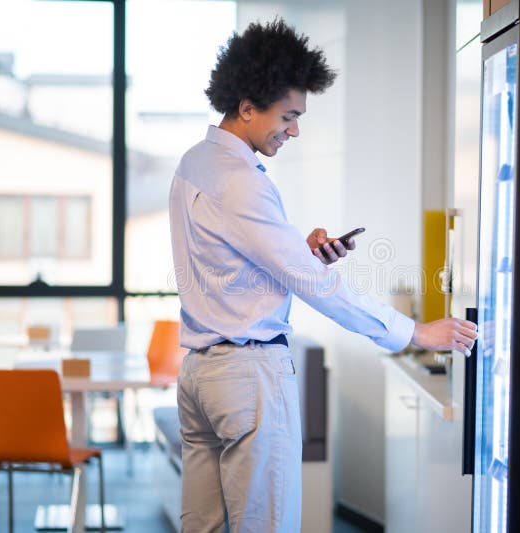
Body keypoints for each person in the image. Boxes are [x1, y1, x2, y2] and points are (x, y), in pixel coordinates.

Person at [169, 19, 477, 533]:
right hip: (248, 378)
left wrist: (303, 255)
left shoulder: (193, 164)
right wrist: (415, 333)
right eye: (288, 116)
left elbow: (225, 269)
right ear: (247, 107)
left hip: (200, 377)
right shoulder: (242, 181)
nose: (294, 130)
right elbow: (318, 287)